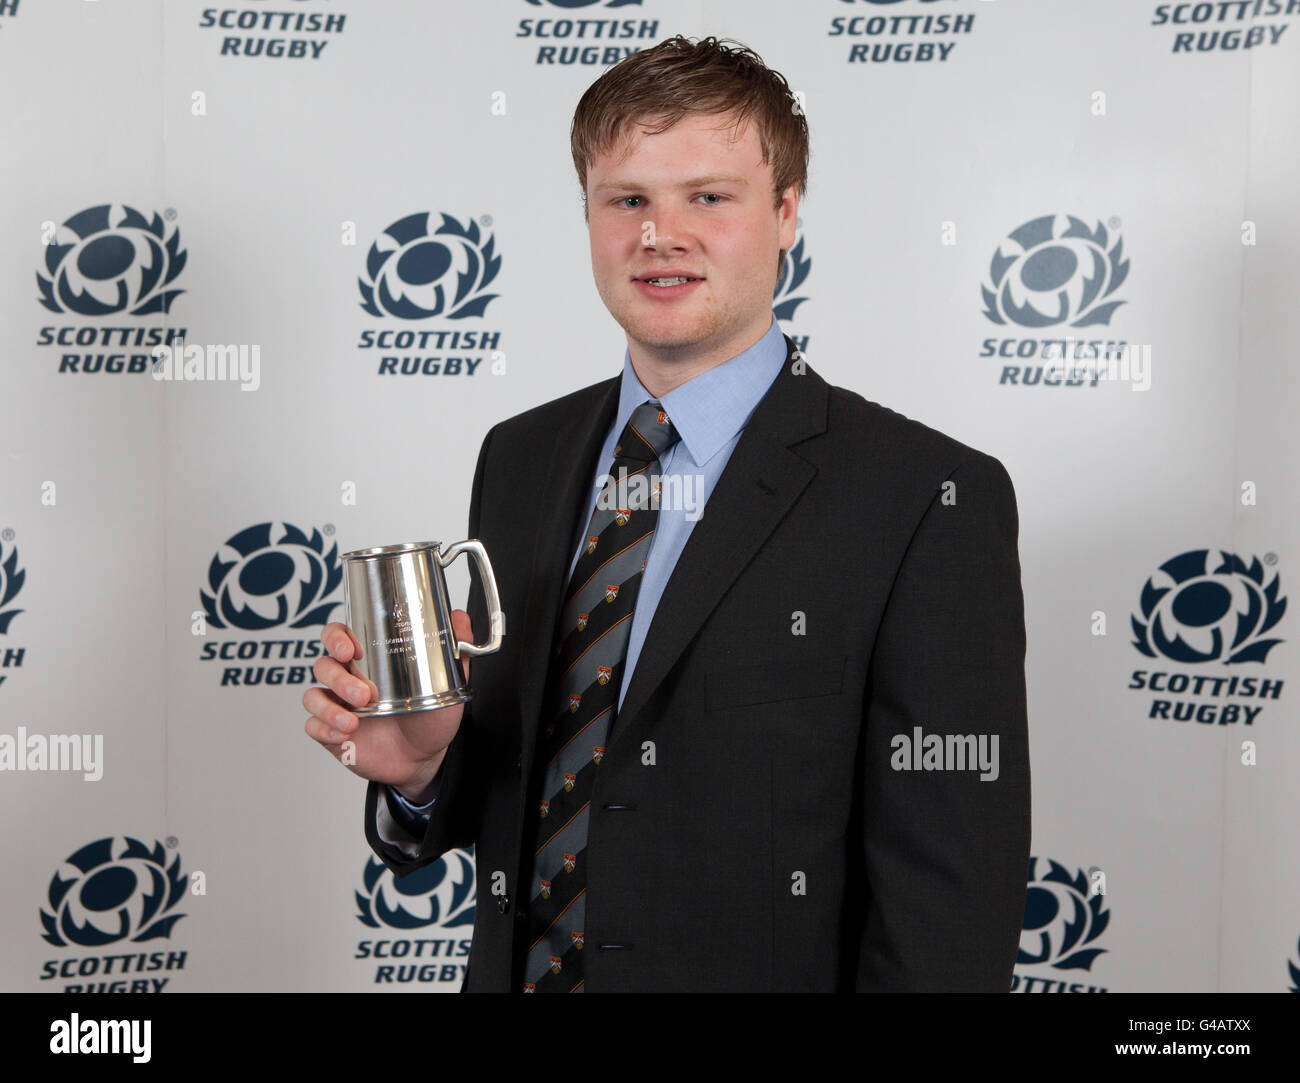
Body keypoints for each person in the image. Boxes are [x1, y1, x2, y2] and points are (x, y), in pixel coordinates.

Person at [304, 35, 1030, 993]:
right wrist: (423, 772)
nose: (661, 235)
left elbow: (949, 909)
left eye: (709, 197)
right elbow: (555, 801)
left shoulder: (925, 497)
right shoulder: (518, 457)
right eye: (629, 199)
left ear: (786, 214)